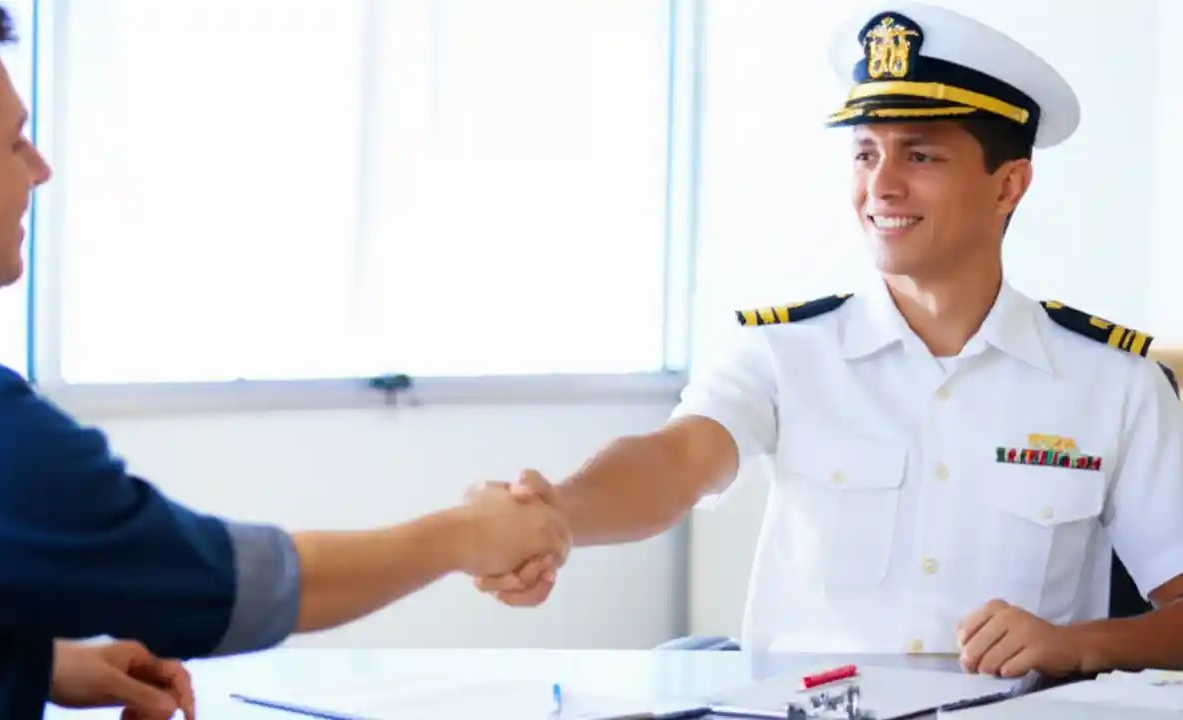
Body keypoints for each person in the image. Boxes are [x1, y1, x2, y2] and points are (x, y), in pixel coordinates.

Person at [476, 1, 1183, 678]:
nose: (882, 186)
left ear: (1009, 186)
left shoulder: (1114, 384)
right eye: (866, 154)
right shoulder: (784, 355)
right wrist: (559, 513)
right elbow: (674, 461)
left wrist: (1074, 644)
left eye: (920, 157)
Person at [0, 2, 570, 718]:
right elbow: (227, 586)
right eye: (15, 144)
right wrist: (468, 535)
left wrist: (36, 663)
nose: (40, 170)